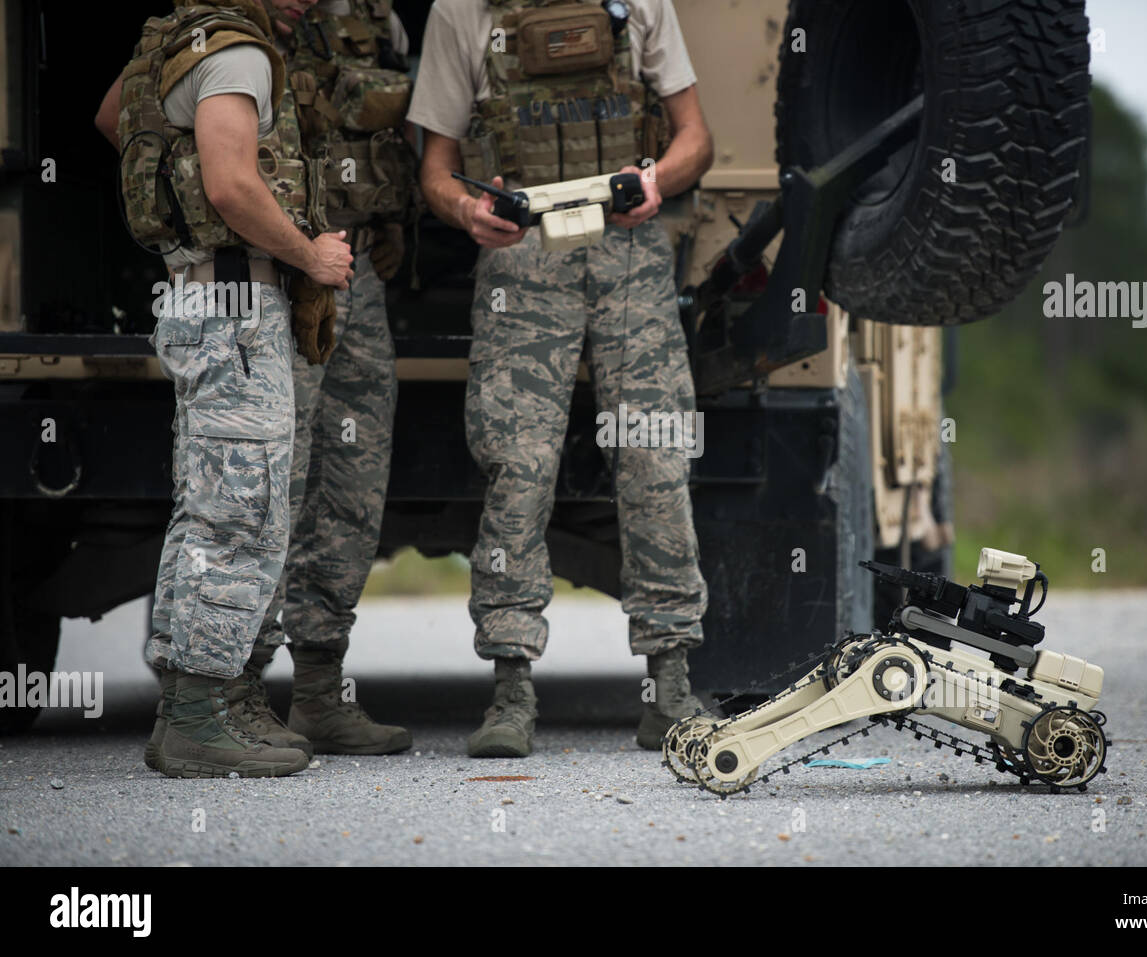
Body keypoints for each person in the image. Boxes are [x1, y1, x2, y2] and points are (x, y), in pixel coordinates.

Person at [409, 0, 714, 757]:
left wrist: (656, 181)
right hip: (522, 263)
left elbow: (696, 140)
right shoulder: (463, 11)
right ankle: (510, 688)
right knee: (518, 466)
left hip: (629, 256)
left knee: (655, 459)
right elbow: (435, 169)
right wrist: (468, 208)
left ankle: (669, 684)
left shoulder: (638, 4)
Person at [95, 0, 353, 777]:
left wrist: (172, 203)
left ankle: (186, 707)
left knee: (205, 506)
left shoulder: (171, 42)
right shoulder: (236, 53)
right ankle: (199, 720)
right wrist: (308, 254)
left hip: (194, 297)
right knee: (241, 513)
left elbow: (113, 117)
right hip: (237, 303)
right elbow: (233, 185)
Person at [238, 0, 416, 757]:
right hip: (273, 271)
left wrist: (396, 216)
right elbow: (127, 116)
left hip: (354, 274)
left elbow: (393, 127)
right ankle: (237, 692)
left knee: (352, 476)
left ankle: (317, 692)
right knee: (270, 476)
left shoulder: (375, 17)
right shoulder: (227, 25)